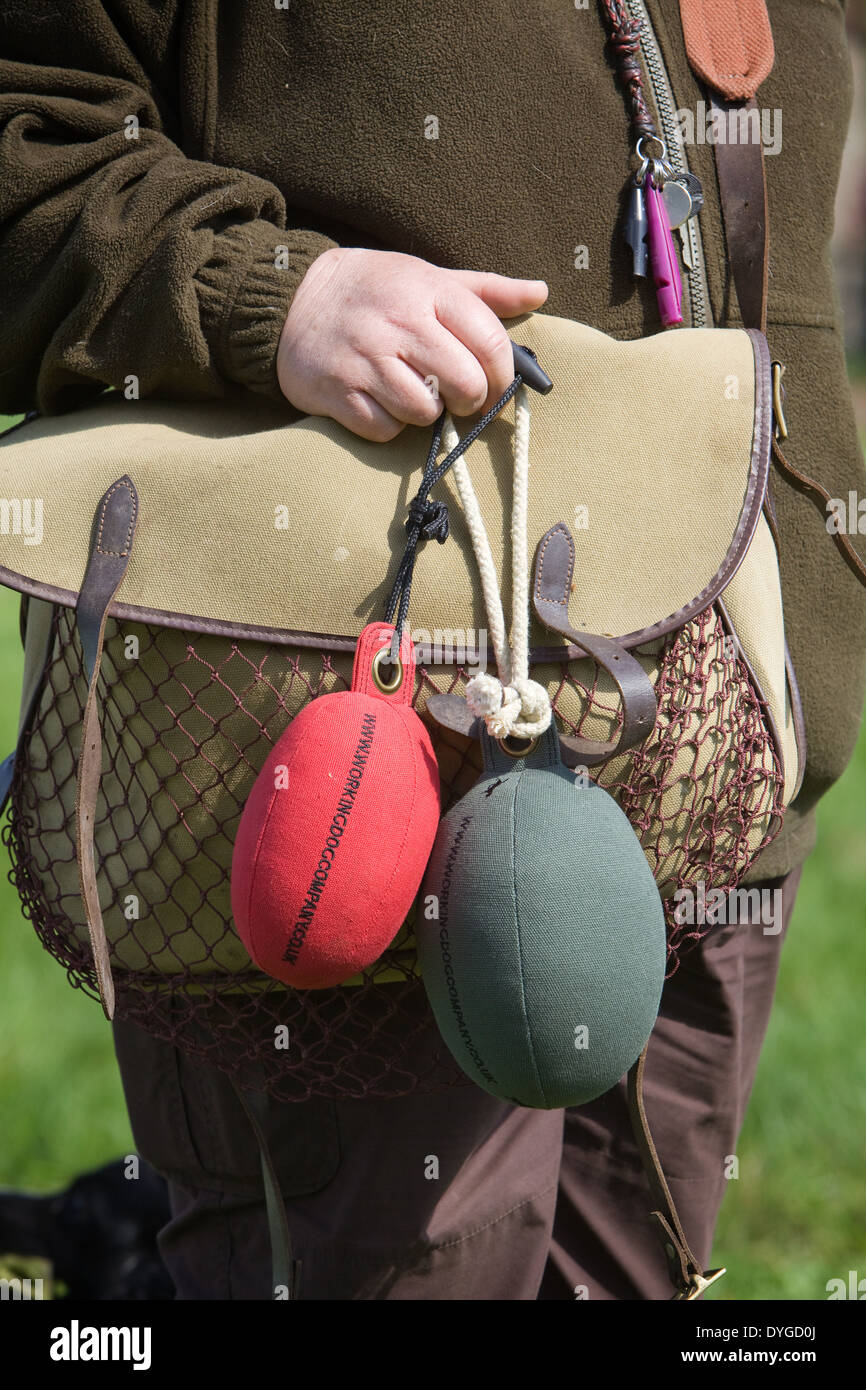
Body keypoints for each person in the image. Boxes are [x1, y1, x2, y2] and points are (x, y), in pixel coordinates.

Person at [1, 1, 863, 1299]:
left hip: (720, 740)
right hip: (323, 744)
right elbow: (31, 133)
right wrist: (266, 294)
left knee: (641, 1270)